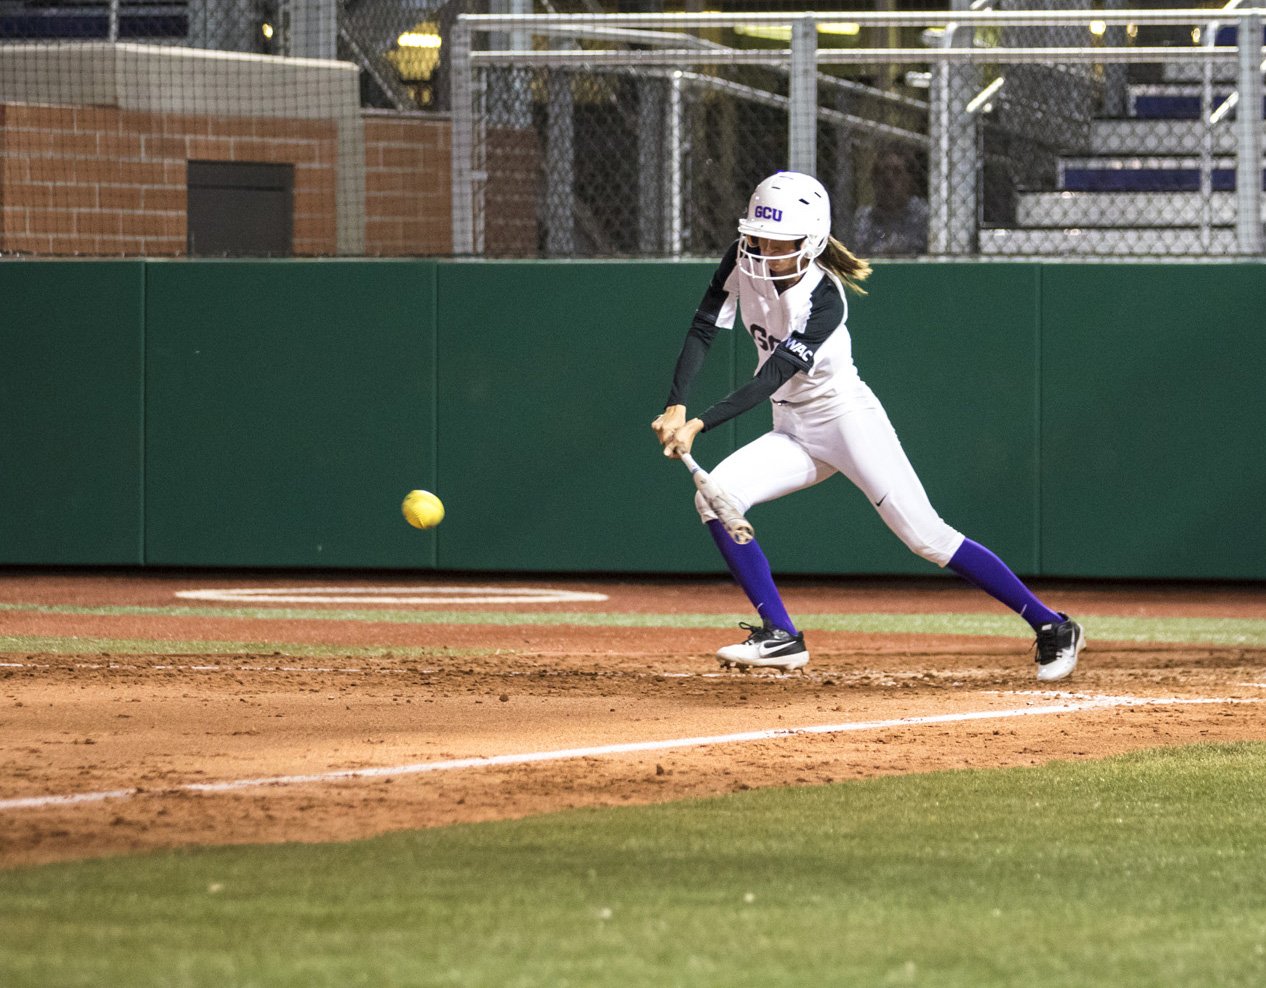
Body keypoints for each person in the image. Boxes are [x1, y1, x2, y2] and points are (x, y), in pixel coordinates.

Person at [651, 170, 1084, 680]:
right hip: (792, 429)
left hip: (846, 423)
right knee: (715, 497)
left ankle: (1053, 626)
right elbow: (705, 323)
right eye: (757, 235)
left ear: (810, 242)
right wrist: (677, 403)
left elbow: (773, 376)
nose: (761, 248)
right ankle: (781, 636)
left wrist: (701, 422)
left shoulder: (824, 298)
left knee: (927, 538)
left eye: (778, 240)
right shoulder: (741, 259)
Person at [852, 145, 929, 256]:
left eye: (897, 172)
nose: (888, 179)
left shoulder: (922, 216)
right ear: (874, 179)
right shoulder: (864, 218)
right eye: (882, 172)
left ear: (909, 180)